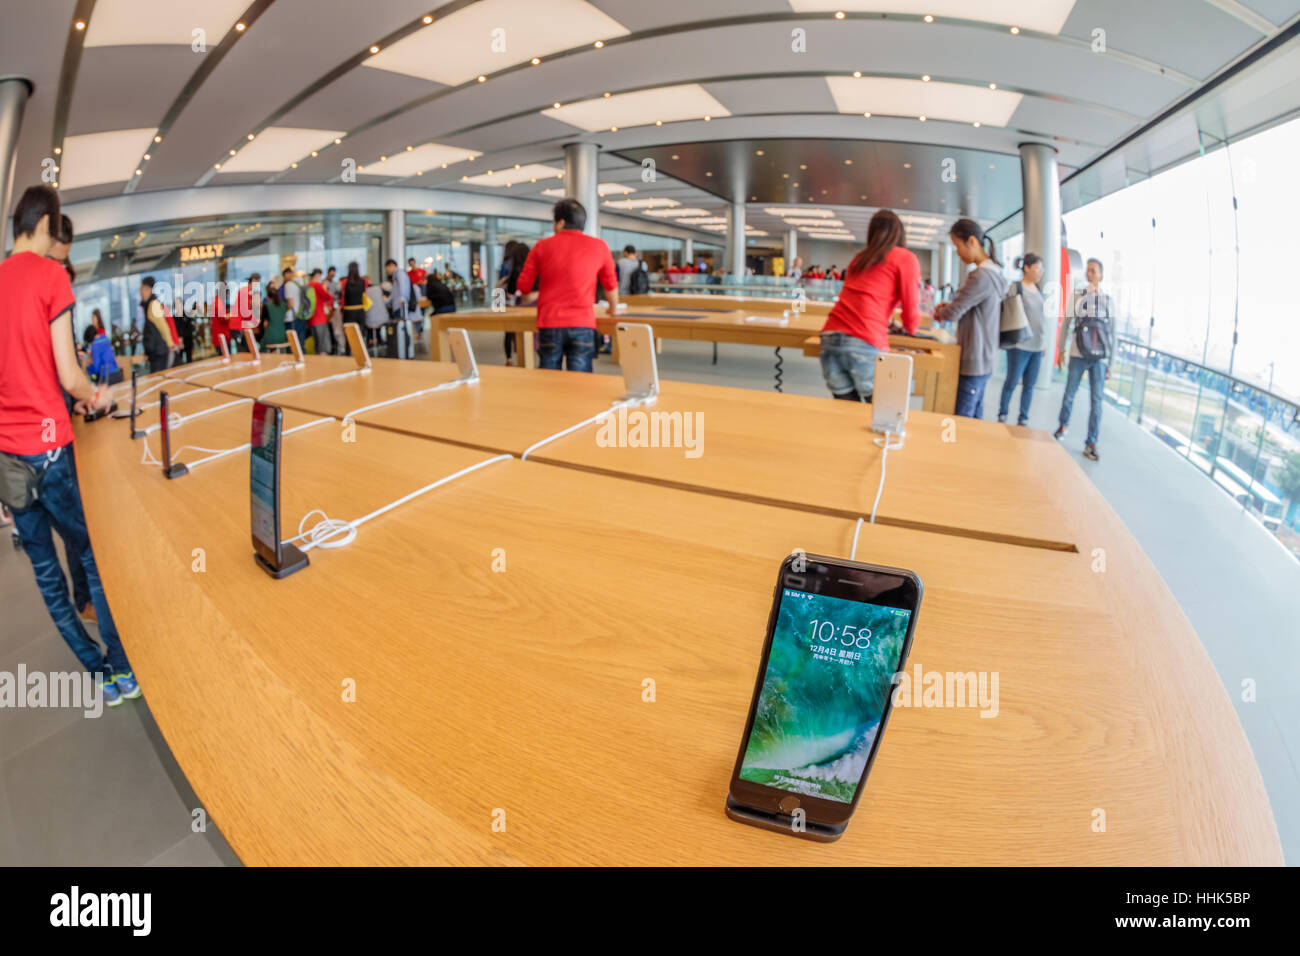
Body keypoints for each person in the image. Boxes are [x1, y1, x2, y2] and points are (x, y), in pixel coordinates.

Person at [0, 185, 140, 705]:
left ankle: (96, 671)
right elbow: (68, 373)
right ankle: (124, 669)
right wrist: (93, 394)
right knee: (90, 555)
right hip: (50, 452)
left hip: (9, 461)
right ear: (46, 223)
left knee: (47, 575)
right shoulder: (49, 276)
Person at [818, 210, 921, 402]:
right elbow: (911, 307)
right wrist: (911, 328)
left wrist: (888, 321)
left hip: (830, 338)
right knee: (882, 411)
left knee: (847, 413)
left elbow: (863, 296)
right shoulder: (905, 258)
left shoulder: (860, 257)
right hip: (864, 339)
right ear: (899, 233)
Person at [515, 199, 618, 373]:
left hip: (549, 322)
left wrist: (536, 292)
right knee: (580, 383)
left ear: (561, 222)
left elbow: (523, 286)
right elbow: (610, 283)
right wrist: (613, 308)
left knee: (549, 379)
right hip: (582, 323)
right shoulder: (600, 246)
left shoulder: (541, 246)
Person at [932, 219, 1006, 419]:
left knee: (962, 419)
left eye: (957, 246)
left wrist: (942, 311)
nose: (957, 252)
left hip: (974, 356)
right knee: (974, 417)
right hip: (986, 356)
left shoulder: (980, 276)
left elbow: (954, 311)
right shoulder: (995, 273)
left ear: (972, 241)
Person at [1054, 257, 1115, 461]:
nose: (1089, 274)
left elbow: (1114, 334)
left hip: (1099, 360)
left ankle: (1091, 442)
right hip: (1077, 354)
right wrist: (1061, 349)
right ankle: (1062, 426)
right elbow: (1067, 323)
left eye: (1093, 271)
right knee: (1069, 393)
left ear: (1101, 275)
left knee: (1096, 402)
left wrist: (1111, 364)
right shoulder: (1078, 296)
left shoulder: (1109, 301)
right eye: (1087, 270)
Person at [997, 253, 1049, 426]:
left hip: (1036, 345)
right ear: (1026, 268)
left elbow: (1041, 319)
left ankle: (1023, 417)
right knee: (1011, 381)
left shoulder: (1039, 290)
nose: (1040, 272)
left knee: (1029, 385)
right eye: (1037, 268)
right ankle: (1003, 413)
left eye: (1042, 269)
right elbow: (1006, 309)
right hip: (1019, 344)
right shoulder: (1016, 287)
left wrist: (1044, 343)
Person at [497, 241, 527, 364]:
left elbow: (500, 288)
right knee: (522, 331)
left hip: (507, 302)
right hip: (519, 302)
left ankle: (509, 358)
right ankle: (523, 356)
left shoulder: (505, 265)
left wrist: (498, 306)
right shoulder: (524, 267)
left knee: (508, 332)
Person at [141, 276, 179, 371]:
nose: (141, 293)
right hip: (157, 351)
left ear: (148, 289)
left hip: (159, 351)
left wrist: (170, 344)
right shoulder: (150, 304)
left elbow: (163, 326)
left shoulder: (153, 304)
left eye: (142, 290)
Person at [383, 259, 413, 359]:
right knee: (399, 330)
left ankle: (403, 353)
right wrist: (387, 301)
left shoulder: (399, 273)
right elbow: (395, 292)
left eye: (387, 269)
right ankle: (401, 352)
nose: (387, 271)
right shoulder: (396, 275)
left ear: (391, 265)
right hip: (398, 306)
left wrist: (403, 298)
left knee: (402, 329)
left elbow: (403, 287)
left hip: (401, 306)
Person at [85, 313, 122, 385]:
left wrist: (89, 368)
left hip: (107, 377)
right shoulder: (106, 339)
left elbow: (97, 368)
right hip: (117, 373)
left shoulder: (95, 346)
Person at [340, 260, 369, 350]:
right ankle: (362, 352)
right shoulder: (364, 281)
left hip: (348, 311)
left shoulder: (344, 282)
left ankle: (348, 353)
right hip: (360, 310)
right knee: (361, 333)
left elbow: (343, 296)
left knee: (349, 335)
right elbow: (365, 293)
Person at [307, 268, 334, 356]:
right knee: (323, 345)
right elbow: (328, 297)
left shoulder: (308, 285)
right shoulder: (317, 285)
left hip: (311, 319)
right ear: (318, 276)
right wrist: (325, 287)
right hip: (320, 317)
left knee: (317, 343)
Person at [282, 267, 308, 346]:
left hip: (292, 317)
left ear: (287, 274)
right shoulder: (303, 282)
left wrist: (283, 311)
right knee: (301, 342)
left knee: (292, 344)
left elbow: (290, 303)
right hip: (302, 315)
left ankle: (293, 358)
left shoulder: (288, 285)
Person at [260, 276, 288, 348]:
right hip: (282, 336)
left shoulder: (267, 306)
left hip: (270, 337)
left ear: (267, 296)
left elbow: (265, 324)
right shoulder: (284, 305)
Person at [407, 257, 428, 346]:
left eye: (413, 263)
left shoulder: (422, 271)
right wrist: (417, 283)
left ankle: (420, 331)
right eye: (410, 264)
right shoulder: (408, 274)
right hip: (414, 296)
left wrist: (422, 282)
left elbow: (426, 279)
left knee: (422, 313)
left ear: (415, 263)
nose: (412, 265)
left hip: (422, 294)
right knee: (417, 313)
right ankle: (418, 331)